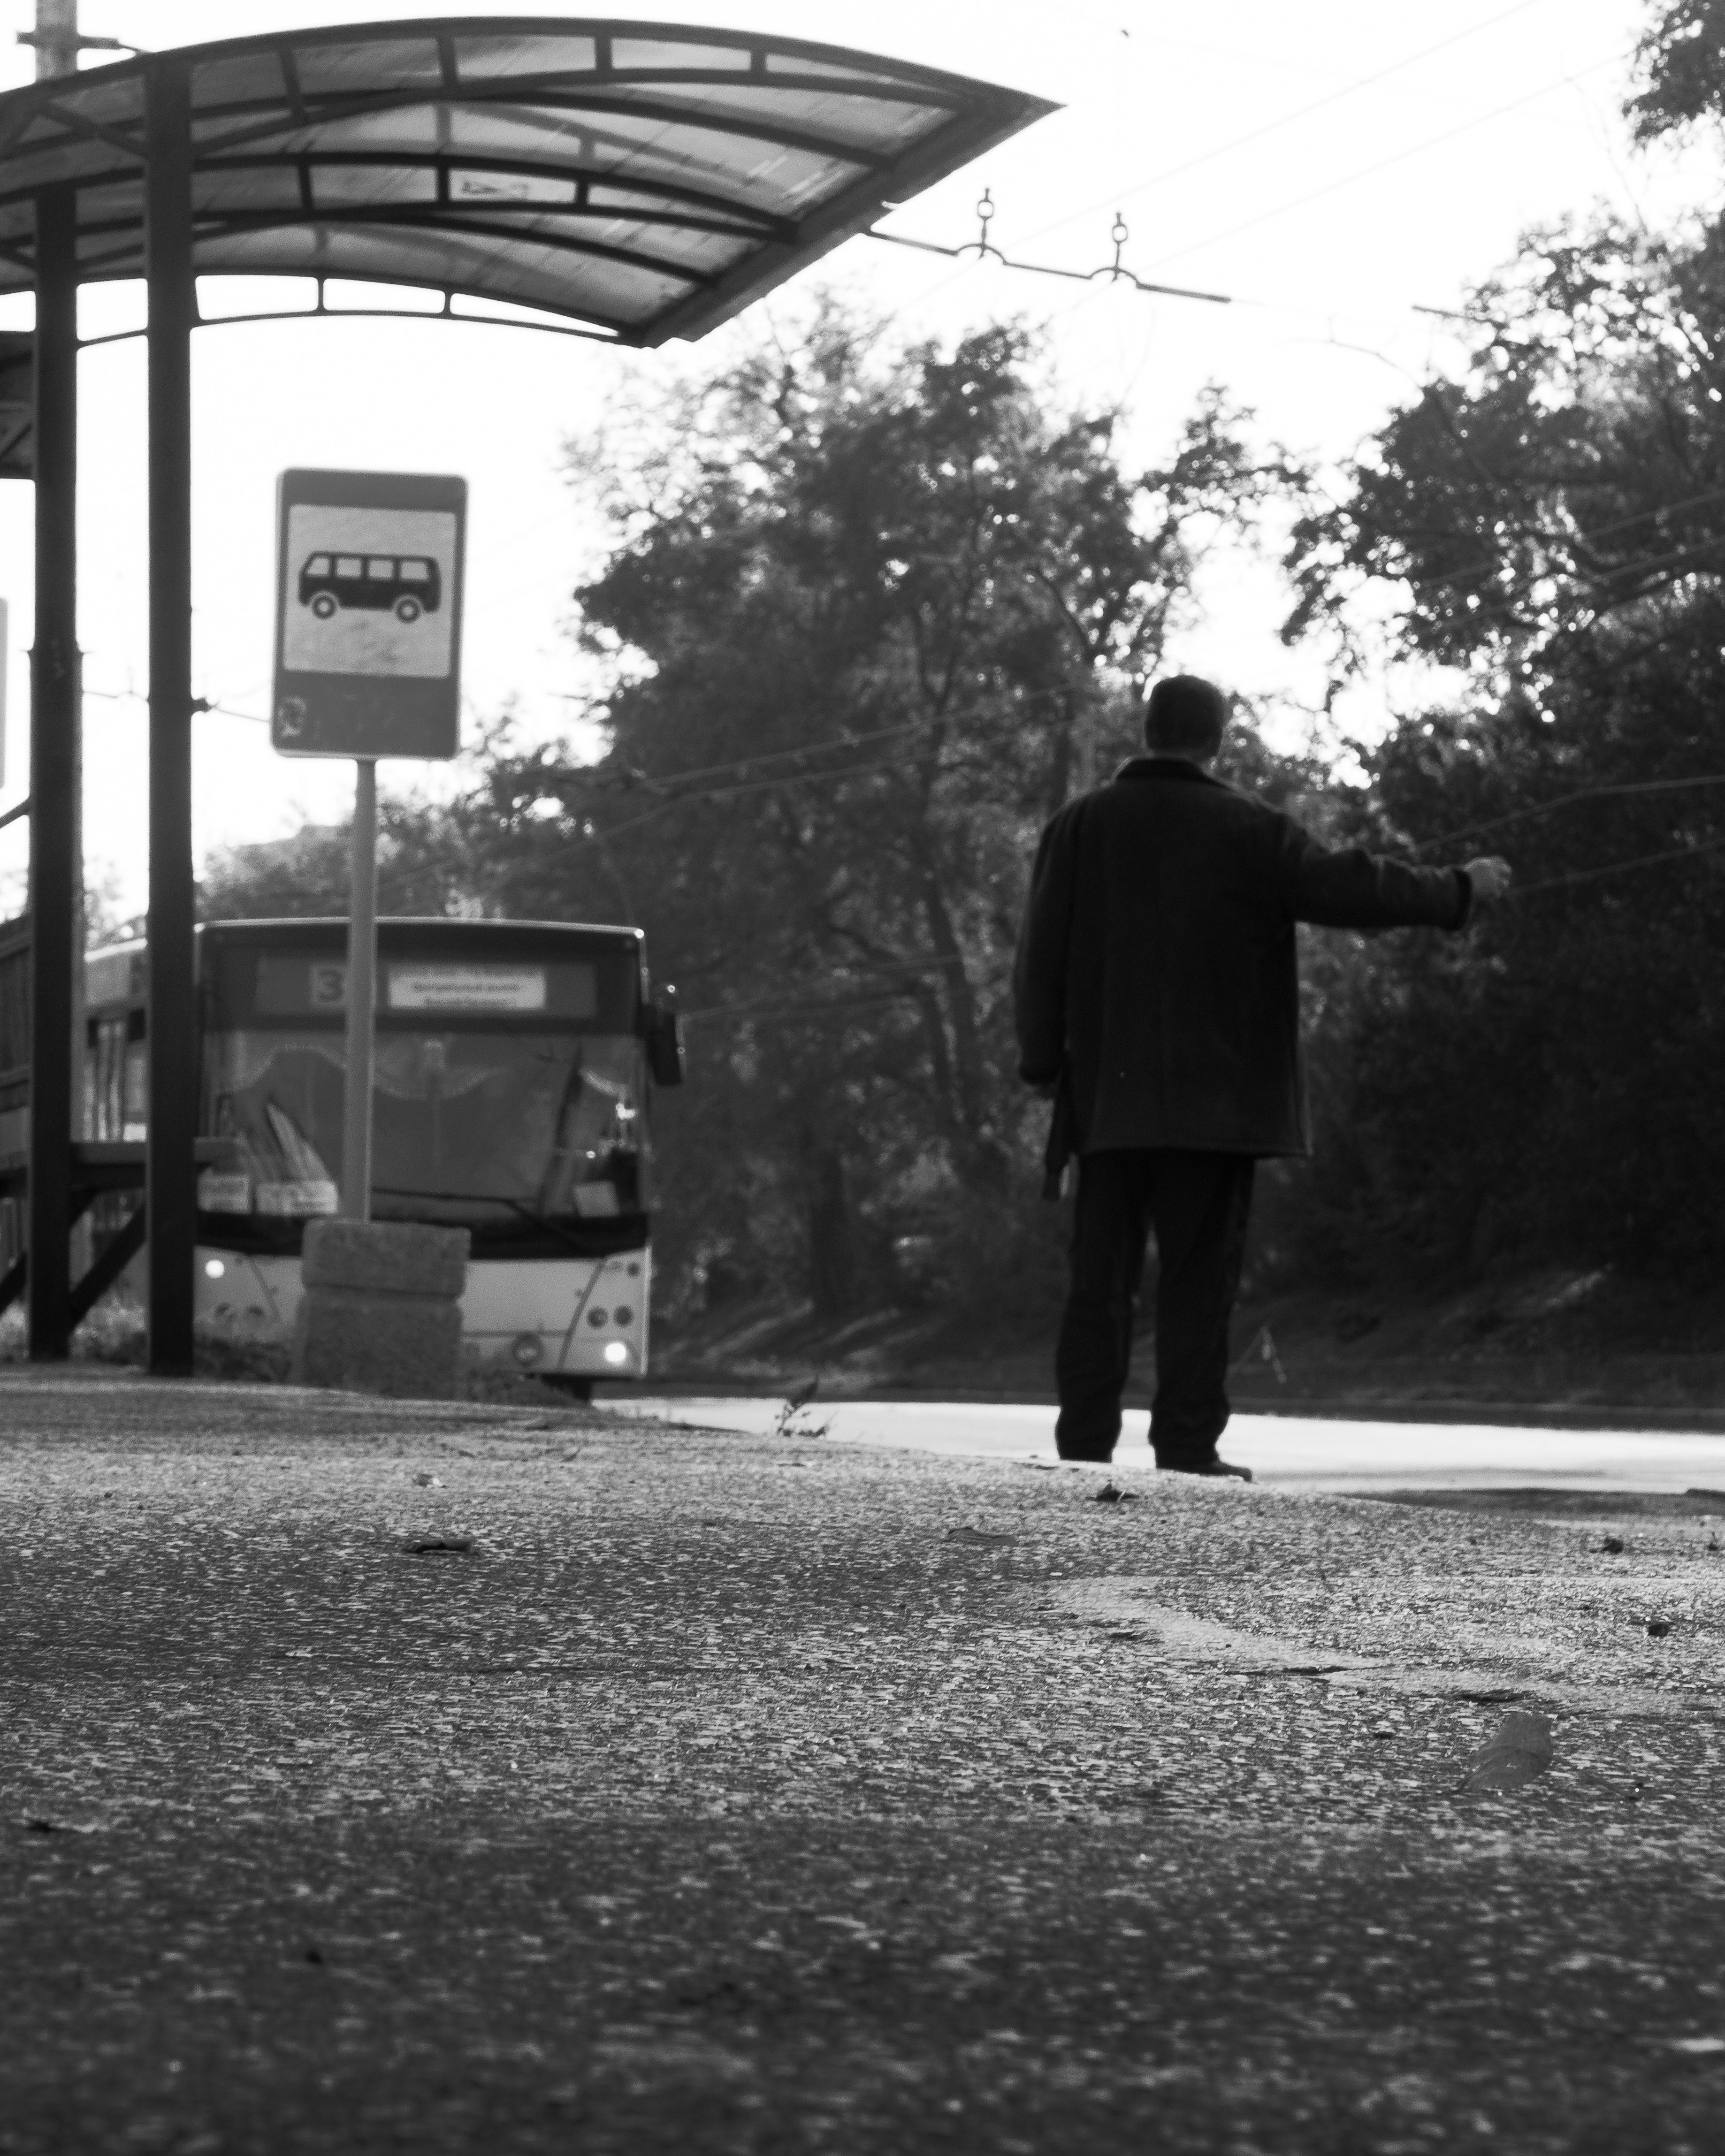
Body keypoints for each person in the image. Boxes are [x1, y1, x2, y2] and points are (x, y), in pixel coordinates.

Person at [1013, 674, 1511, 1478]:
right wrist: (1457, 890)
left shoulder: (1078, 827)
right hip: (1217, 1109)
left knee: (1099, 1280)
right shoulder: (1249, 828)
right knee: (1197, 1282)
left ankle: (1084, 1447)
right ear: (1217, 740)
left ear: (1147, 730)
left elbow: (1039, 957)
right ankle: (1186, 1448)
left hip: (1109, 1102)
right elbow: (1352, 885)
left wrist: (1041, 1063)